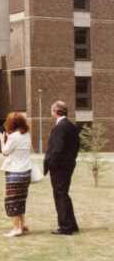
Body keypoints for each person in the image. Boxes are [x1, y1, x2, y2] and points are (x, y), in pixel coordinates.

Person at [43, 100, 81, 235]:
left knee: (60, 195)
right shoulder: (71, 126)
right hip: (68, 165)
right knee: (63, 194)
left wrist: (50, 163)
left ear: (56, 111)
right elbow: (76, 146)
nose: (51, 112)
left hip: (59, 167)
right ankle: (71, 225)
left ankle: (65, 227)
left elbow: (57, 149)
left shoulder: (60, 127)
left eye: (52, 110)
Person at [0, 112, 33, 238]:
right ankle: (22, 225)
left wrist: (2, 140)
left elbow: (5, 152)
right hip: (26, 172)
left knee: (11, 201)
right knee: (21, 200)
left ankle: (16, 228)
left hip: (15, 173)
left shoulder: (13, 137)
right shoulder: (26, 135)